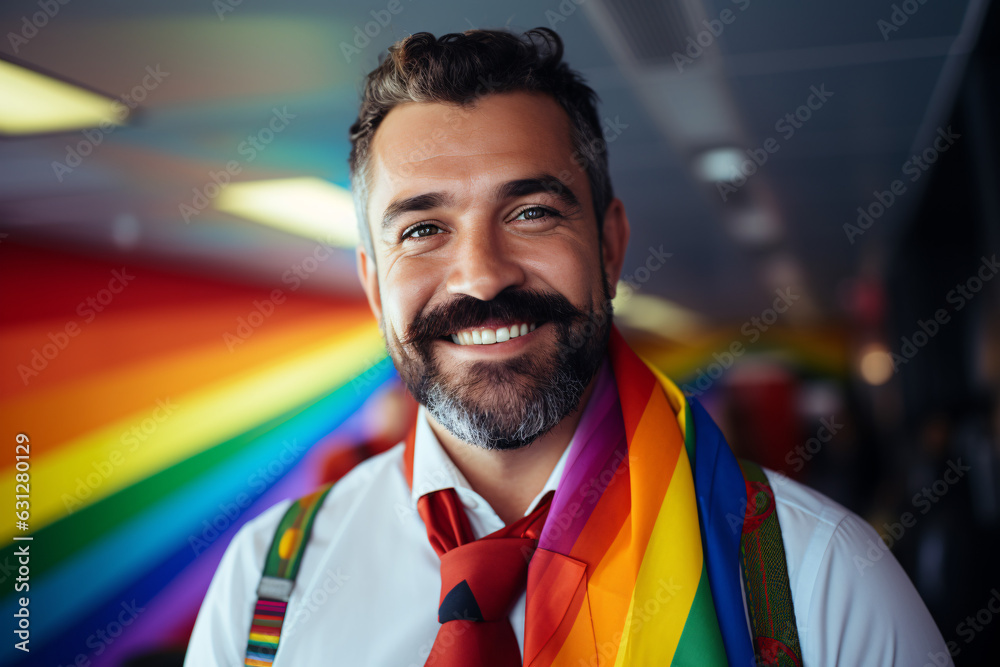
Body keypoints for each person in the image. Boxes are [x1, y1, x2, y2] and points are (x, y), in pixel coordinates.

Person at [185, 27, 951, 667]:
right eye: (422, 229)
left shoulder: (816, 576)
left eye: (532, 213)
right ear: (373, 282)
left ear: (610, 246)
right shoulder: (264, 585)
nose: (481, 275)